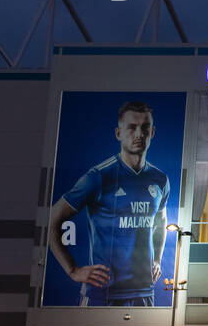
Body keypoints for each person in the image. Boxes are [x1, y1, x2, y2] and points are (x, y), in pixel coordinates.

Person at [48, 100, 171, 306]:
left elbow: (161, 221)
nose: (139, 134)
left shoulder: (160, 180)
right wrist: (73, 270)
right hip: (102, 294)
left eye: (145, 128)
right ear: (118, 133)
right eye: (132, 128)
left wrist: (157, 259)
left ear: (153, 133)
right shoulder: (98, 177)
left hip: (143, 292)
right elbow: (53, 218)